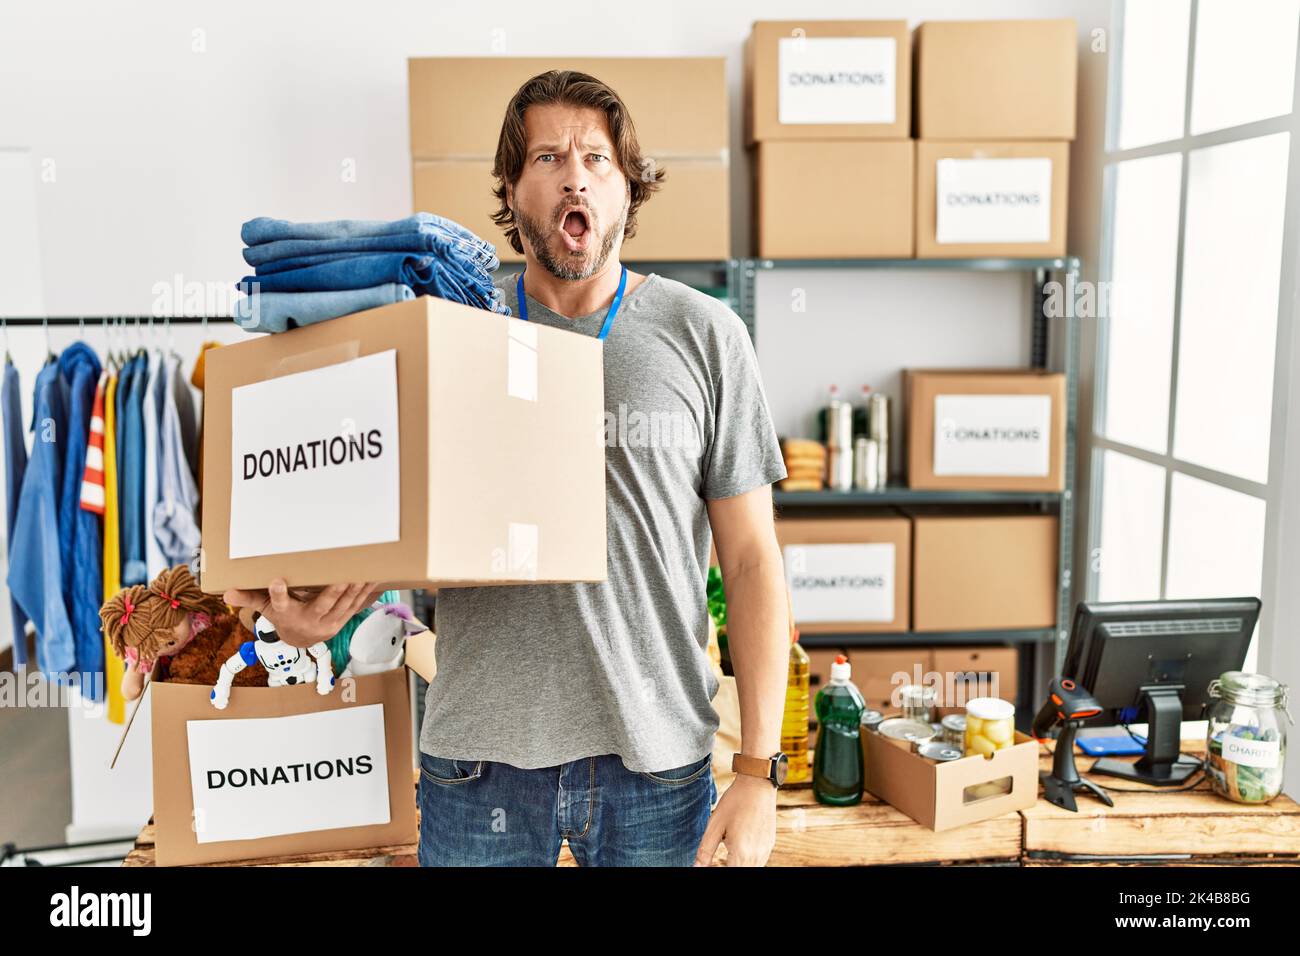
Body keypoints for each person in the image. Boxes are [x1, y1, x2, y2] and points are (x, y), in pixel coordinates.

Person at [223, 69, 790, 867]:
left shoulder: (706, 335)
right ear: (512, 189)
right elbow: (357, 498)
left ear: (629, 187)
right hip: (475, 765)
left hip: (656, 767)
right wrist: (321, 613)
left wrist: (760, 771)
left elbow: (752, 557)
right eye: (549, 157)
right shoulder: (446, 330)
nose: (575, 175)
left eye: (597, 158)